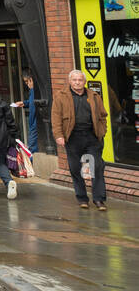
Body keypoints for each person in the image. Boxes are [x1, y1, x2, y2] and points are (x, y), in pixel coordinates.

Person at [51, 69, 108, 210]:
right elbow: (56, 117)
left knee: (97, 167)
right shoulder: (61, 96)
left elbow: (103, 116)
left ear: (84, 82)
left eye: (80, 80)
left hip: (92, 136)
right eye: (74, 80)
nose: (77, 82)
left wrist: (102, 131)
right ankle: (82, 198)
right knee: (75, 168)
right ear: (70, 81)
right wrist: (58, 135)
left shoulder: (94, 96)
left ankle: (99, 199)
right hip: (73, 137)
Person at [12, 72, 38, 154]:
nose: (27, 84)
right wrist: (24, 103)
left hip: (35, 121)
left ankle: (31, 164)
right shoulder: (32, 90)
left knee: (32, 146)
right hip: (32, 121)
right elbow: (32, 102)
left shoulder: (35, 90)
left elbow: (35, 101)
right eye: (25, 82)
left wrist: (32, 89)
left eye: (28, 81)